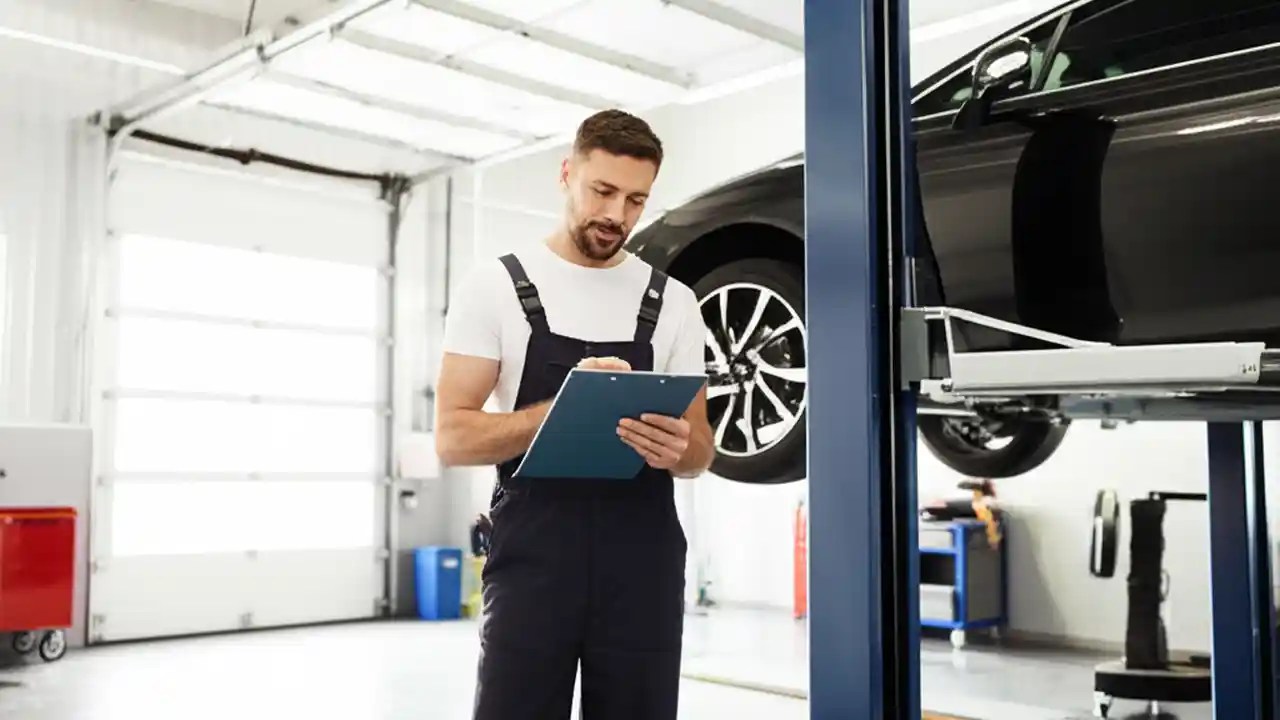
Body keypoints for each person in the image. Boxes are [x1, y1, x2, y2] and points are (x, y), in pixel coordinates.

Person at [435, 109, 715, 720]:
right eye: (603, 191)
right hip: (534, 556)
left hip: (642, 559)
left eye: (636, 200)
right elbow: (453, 437)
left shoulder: (673, 303)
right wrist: (557, 411)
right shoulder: (497, 287)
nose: (616, 215)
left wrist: (682, 449)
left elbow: (700, 452)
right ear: (567, 173)